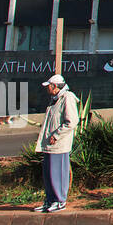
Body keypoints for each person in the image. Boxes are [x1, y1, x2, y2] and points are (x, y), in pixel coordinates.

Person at [34, 74, 79, 213]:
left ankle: (60, 201)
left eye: (49, 86)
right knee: (49, 173)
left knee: (57, 173)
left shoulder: (67, 97)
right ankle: (50, 200)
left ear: (54, 86)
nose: (47, 89)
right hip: (50, 144)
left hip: (59, 145)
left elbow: (72, 121)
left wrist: (57, 135)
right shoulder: (55, 99)